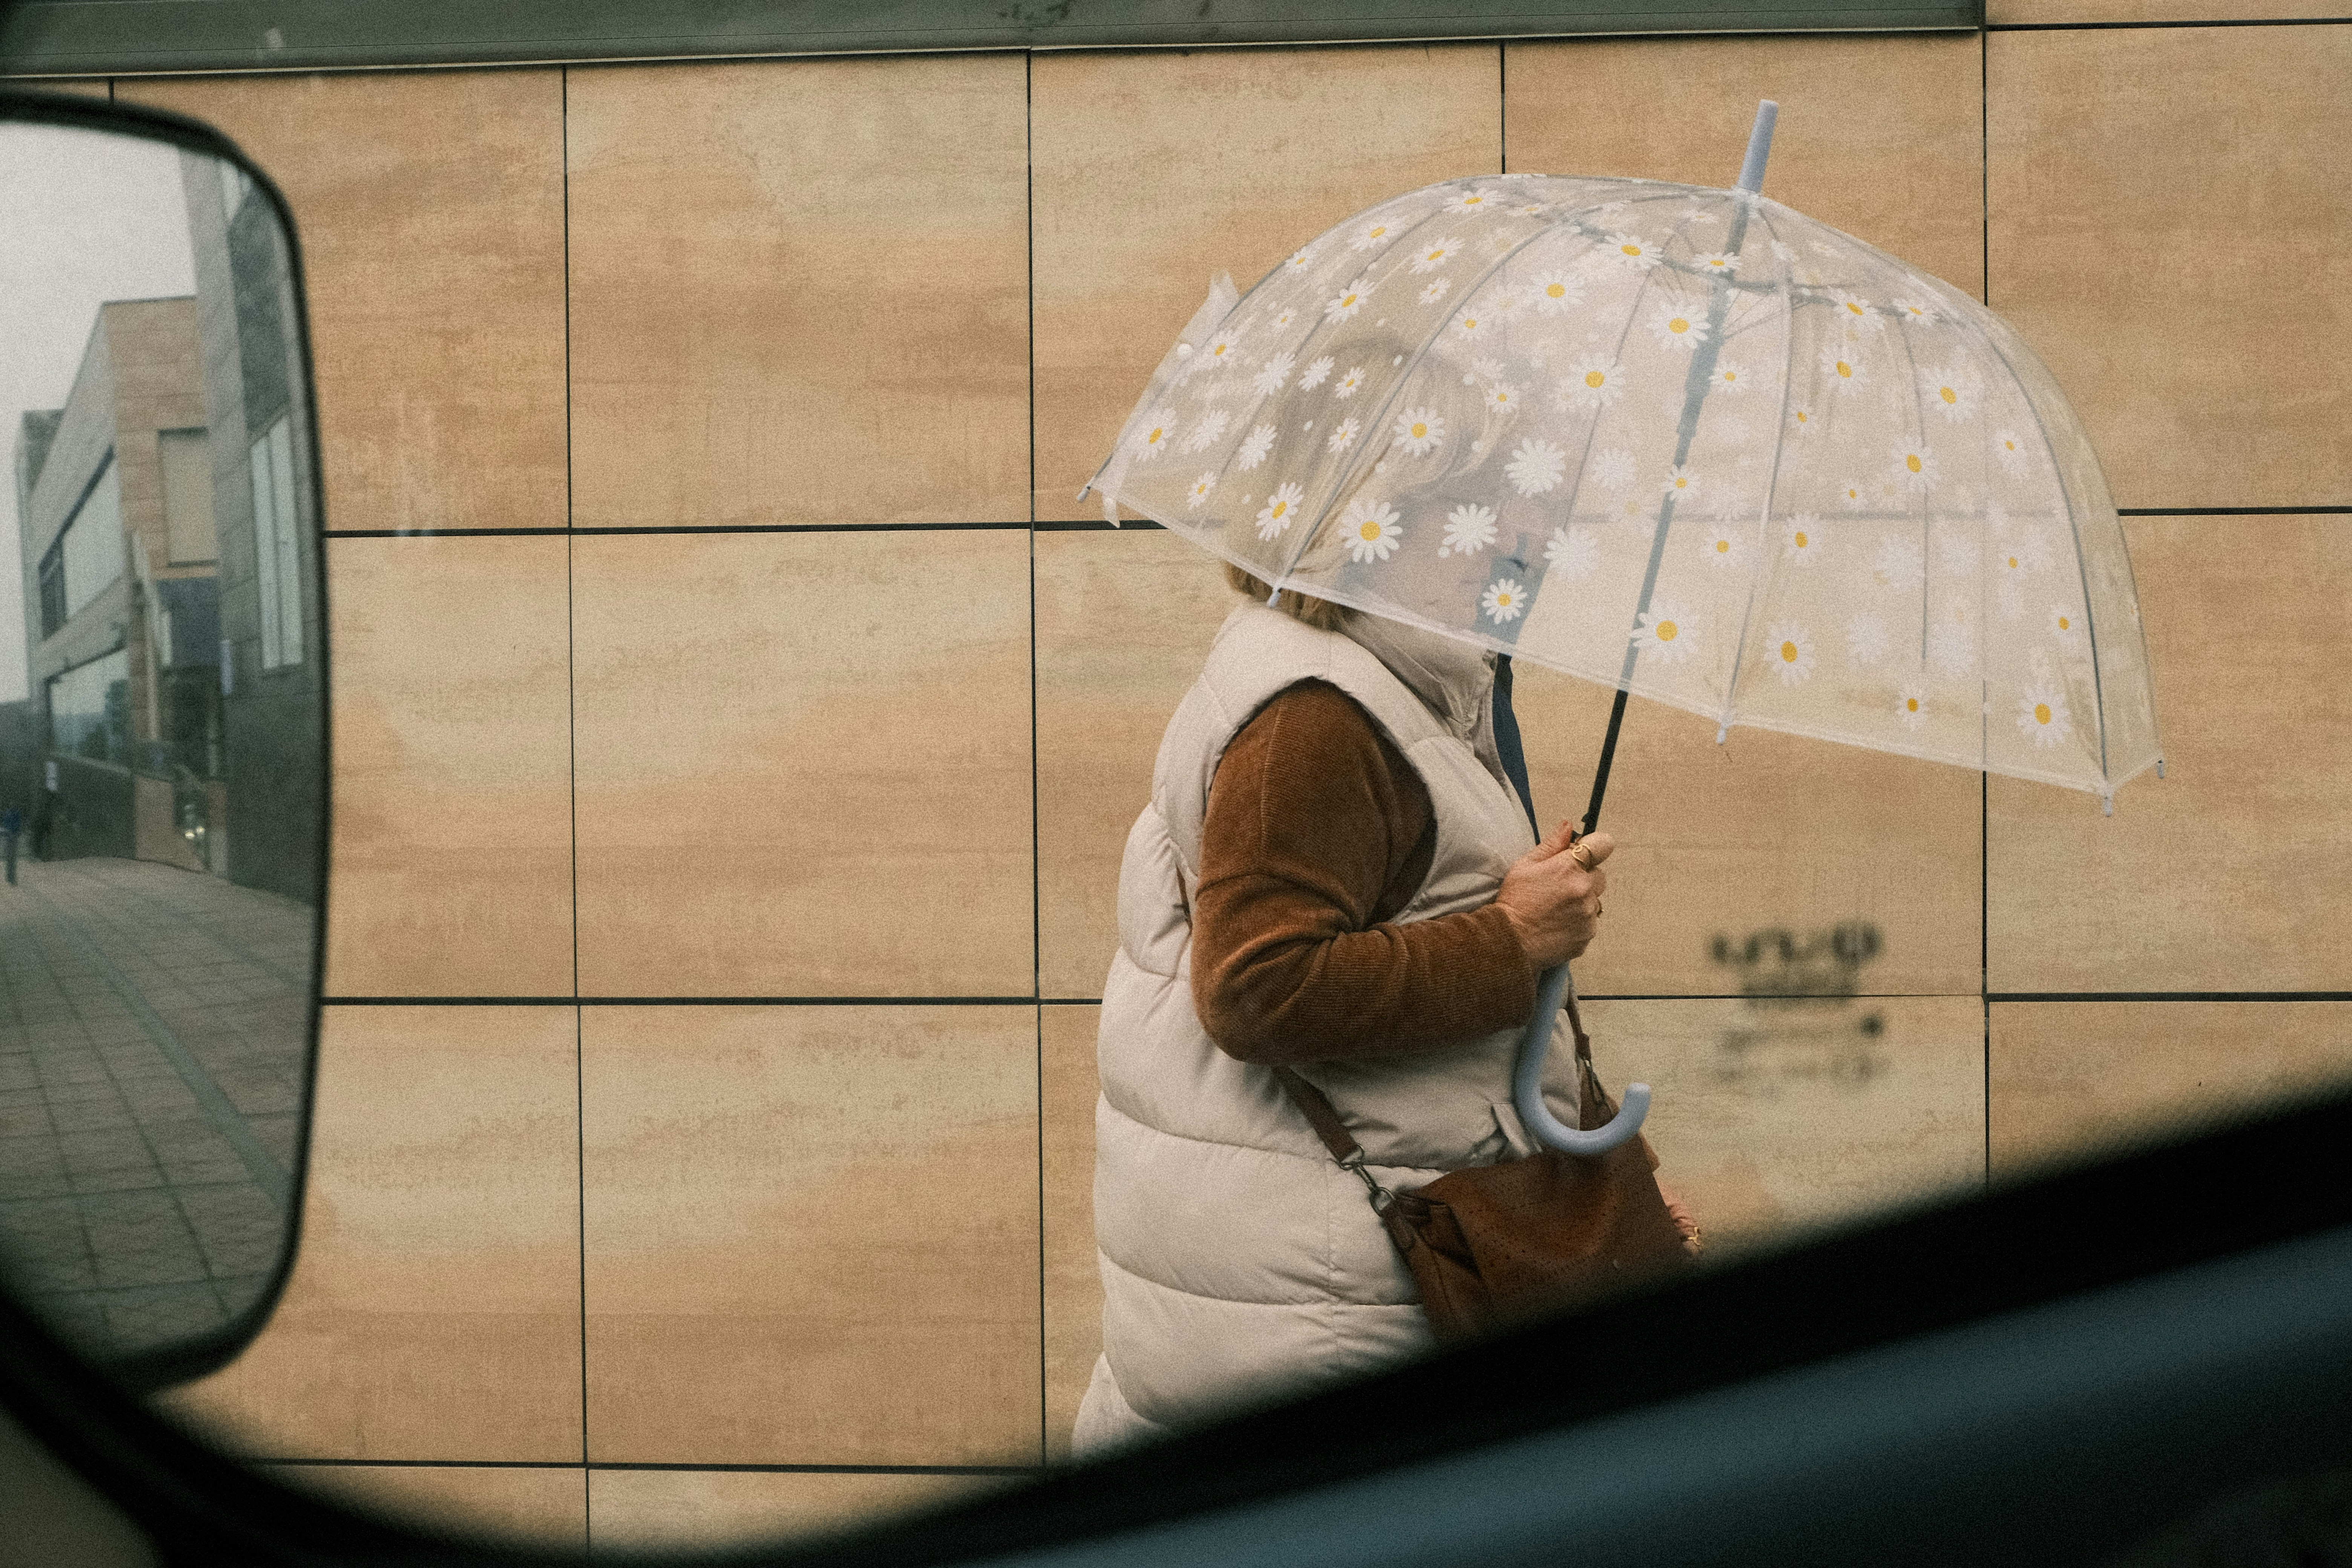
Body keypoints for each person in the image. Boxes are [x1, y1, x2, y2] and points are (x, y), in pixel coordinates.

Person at [1072, 564, 1616, 1459]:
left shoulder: (1393, 683)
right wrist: (1512, 939)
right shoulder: (1320, 714)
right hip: (1326, 1302)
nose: (1530, 539)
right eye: (1483, 502)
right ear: (1374, 519)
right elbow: (1258, 987)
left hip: (1323, 1274)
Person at [0, 803, 20, 885]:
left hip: (9, 837)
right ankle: (11, 877)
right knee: (11, 858)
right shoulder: (13, 814)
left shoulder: (9, 814)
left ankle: (10, 876)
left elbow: (6, 825)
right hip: (10, 837)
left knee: (10, 858)